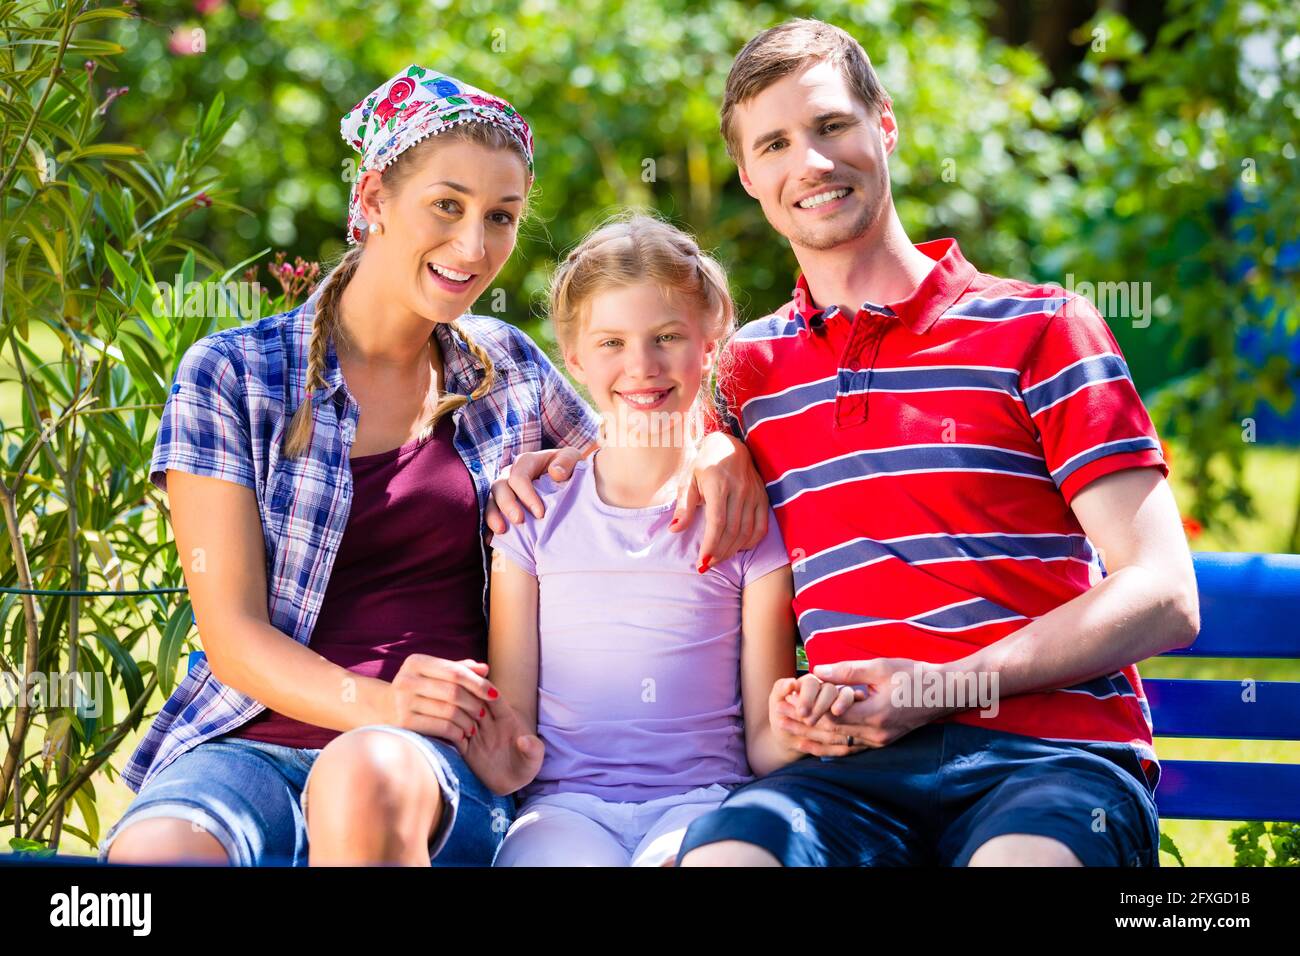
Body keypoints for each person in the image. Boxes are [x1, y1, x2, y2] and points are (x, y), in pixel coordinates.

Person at [99, 65, 766, 867]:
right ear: (375, 200)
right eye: (446, 207)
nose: (474, 246)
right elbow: (234, 637)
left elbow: (633, 446)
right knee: (149, 861)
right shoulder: (232, 375)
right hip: (250, 743)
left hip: (433, 766)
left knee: (364, 772)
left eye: (501, 216)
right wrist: (384, 703)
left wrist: (716, 444)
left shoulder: (507, 369)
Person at [673, 19, 1200, 867]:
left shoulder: (1040, 327)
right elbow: (620, 436)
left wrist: (937, 689)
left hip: (1051, 759)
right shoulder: (744, 372)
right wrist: (706, 440)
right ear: (749, 177)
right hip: (847, 777)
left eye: (831, 125)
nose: (809, 162)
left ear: (884, 125)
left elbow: (1166, 592)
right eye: (775, 143)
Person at [487, 215, 811, 867]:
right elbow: (512, 734)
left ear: (710, 346)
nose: (642, 366)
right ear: (574, 356)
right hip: (564, 806)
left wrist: (809, 723)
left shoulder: (744, 519)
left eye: (668, 337)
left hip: (706, 803)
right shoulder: (533, 517)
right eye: (612, 342)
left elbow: (764, 742)